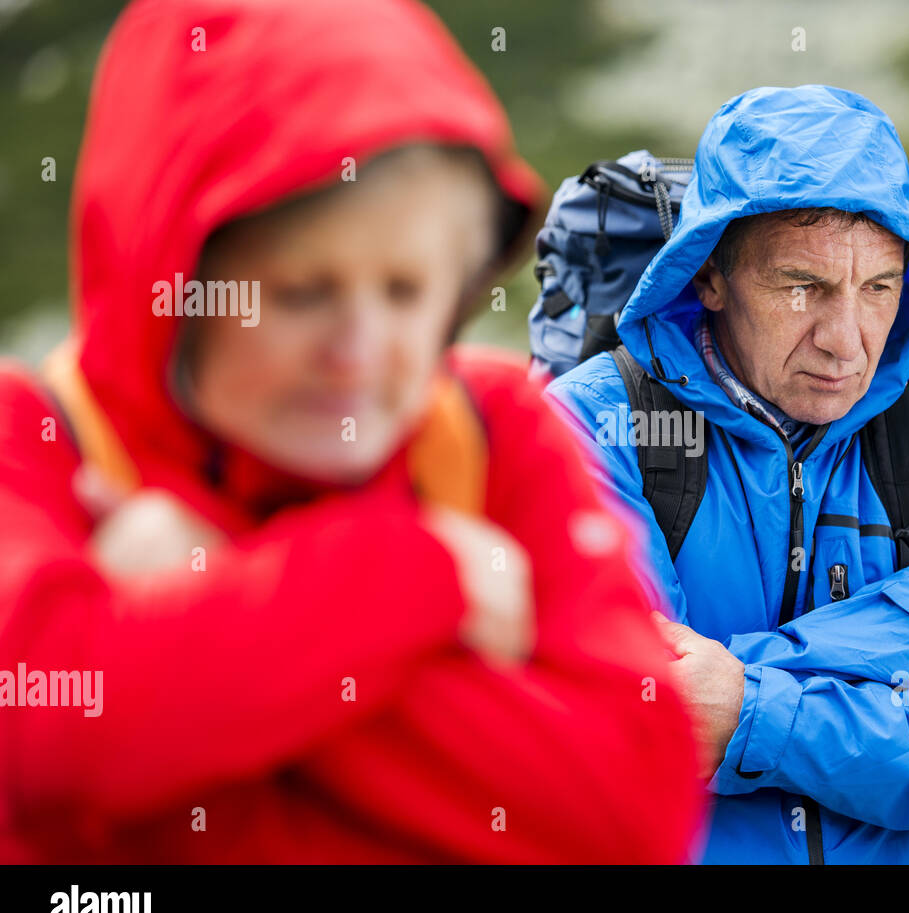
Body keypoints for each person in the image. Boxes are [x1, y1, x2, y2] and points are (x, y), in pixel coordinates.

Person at [0, 0, 700, 864]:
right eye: (302, 292)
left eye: (406, 291)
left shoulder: (489, 432)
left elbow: (636, 812)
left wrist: (206, 604)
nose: (360, 352)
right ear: (171, 284)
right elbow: (51, 743)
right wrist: (422, 569)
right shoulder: (29, 441)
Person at [546, 85, 909, 864]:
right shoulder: (592, 424)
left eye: (878, 287)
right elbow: (636, 717)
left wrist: (746, 707)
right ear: (707, 278)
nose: (847, 342)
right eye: (802, 286)